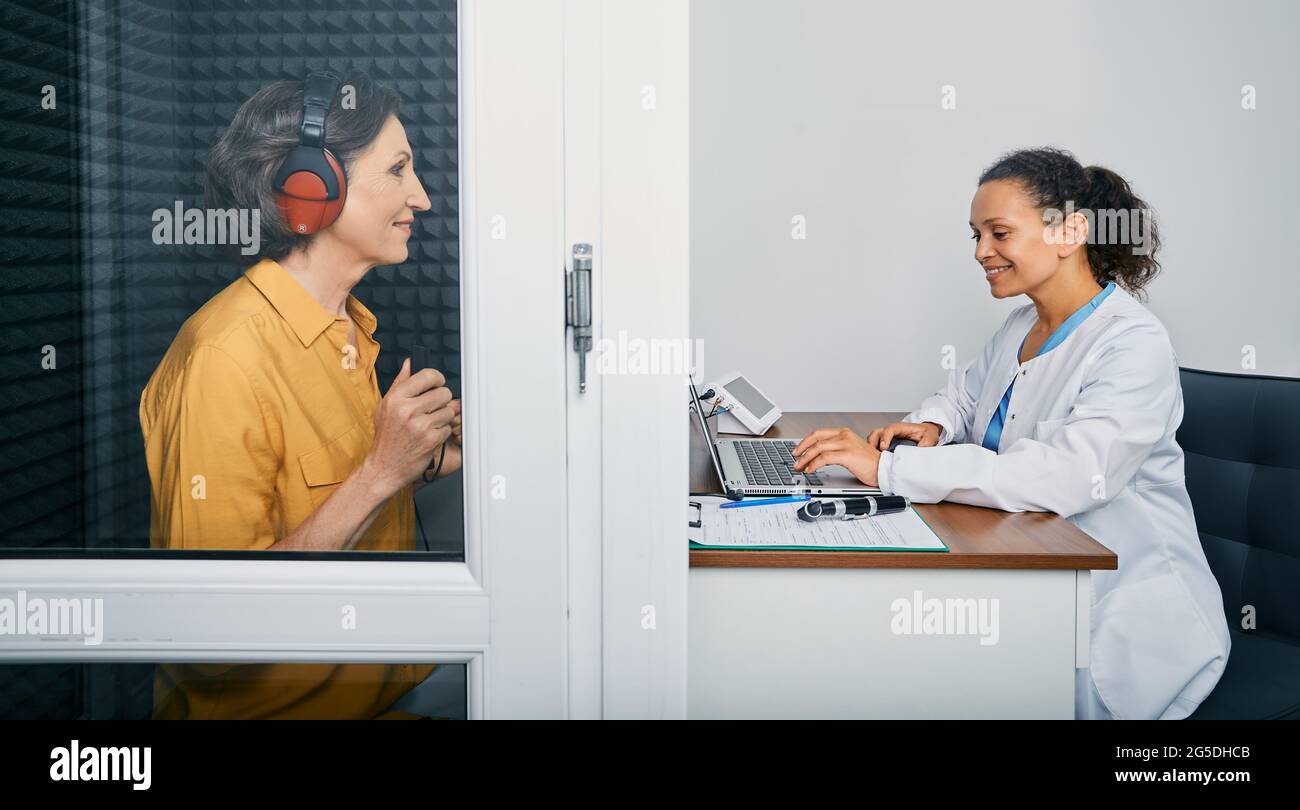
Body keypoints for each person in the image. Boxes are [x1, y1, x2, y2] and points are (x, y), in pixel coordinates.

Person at [791, 147, 1230, 720]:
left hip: (1122, 619)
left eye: (999, 233)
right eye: (975, 234)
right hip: (1024, 566)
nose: (981, 252)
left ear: (1070, 232)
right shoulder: (1023, 322)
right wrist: (934, 423)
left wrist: (888, 470)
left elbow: (1064, 477)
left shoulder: (1132, 345)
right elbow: (967, 393)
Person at [140, 72, 458, 718]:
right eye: (398, 170)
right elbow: (215, 633)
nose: (421, 198)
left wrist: (421, 460)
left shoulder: (347, 332)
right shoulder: (225, 360)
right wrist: (380, 472)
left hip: (387, 698)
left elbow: (319, 496)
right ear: (313, 186)